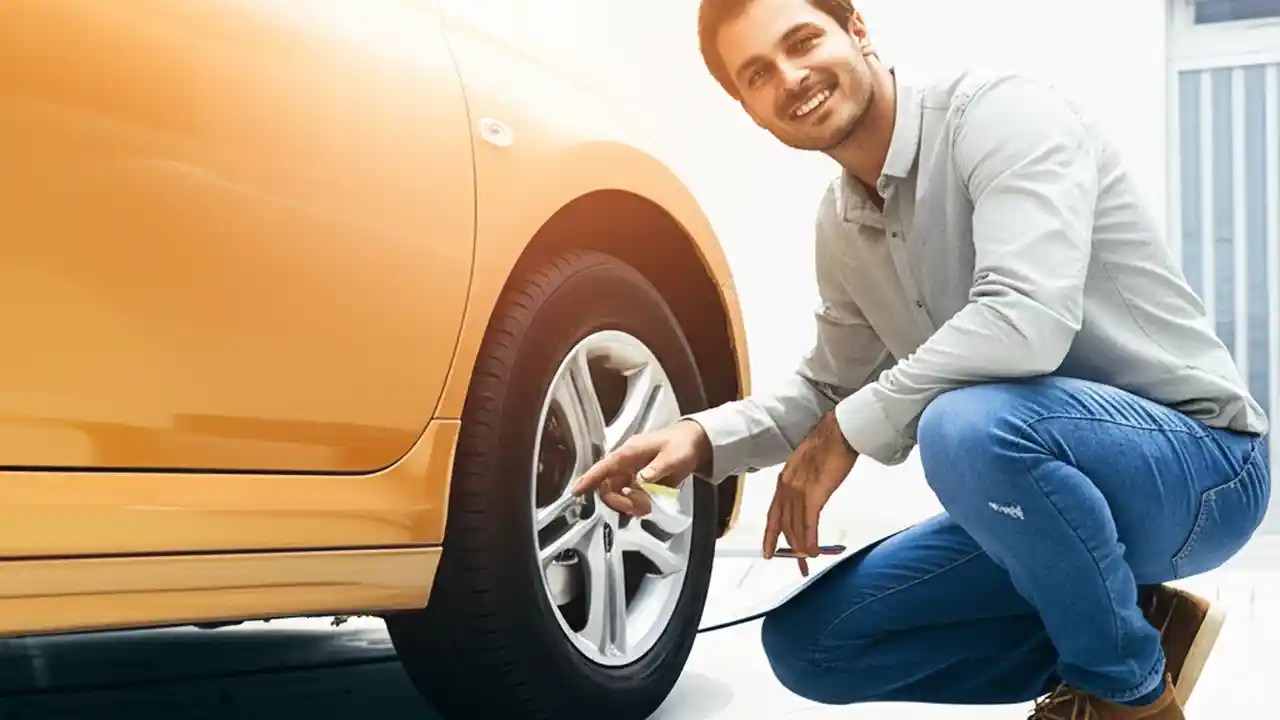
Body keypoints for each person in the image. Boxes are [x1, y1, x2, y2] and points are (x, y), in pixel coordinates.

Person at [572, 0, 1272, 717]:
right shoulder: (841, 224)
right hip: (1050, 496)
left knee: (962, 425)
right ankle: (1133, 622)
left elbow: (1025, 320)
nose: (791, 76)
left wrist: (846, 431)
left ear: (859, 31)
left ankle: (1125, 691)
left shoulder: (1002, 117)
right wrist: (699, 438)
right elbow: (827, 385)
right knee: (812, 642)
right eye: (758, 73)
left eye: (804, 40)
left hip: (1201, 471)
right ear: (748, 108)